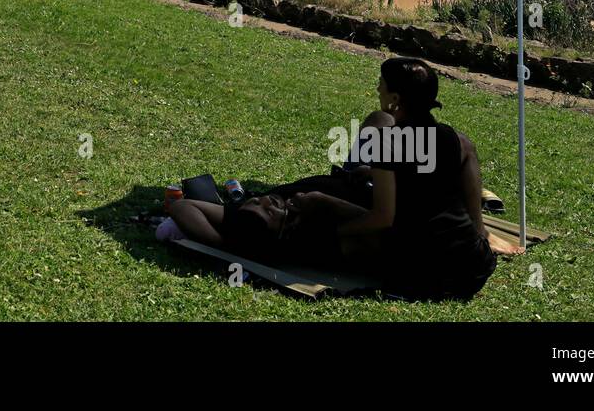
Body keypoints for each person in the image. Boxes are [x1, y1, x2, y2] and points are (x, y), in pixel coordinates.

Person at [166, 58, 499, 301]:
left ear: (396, 99)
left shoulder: (388, 145)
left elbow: (383, 219)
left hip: (422, 274)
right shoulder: (456, 140)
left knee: (355, 239)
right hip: (473, 268)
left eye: (381, 86)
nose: (377, 90)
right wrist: (479, 231)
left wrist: (327, 216)